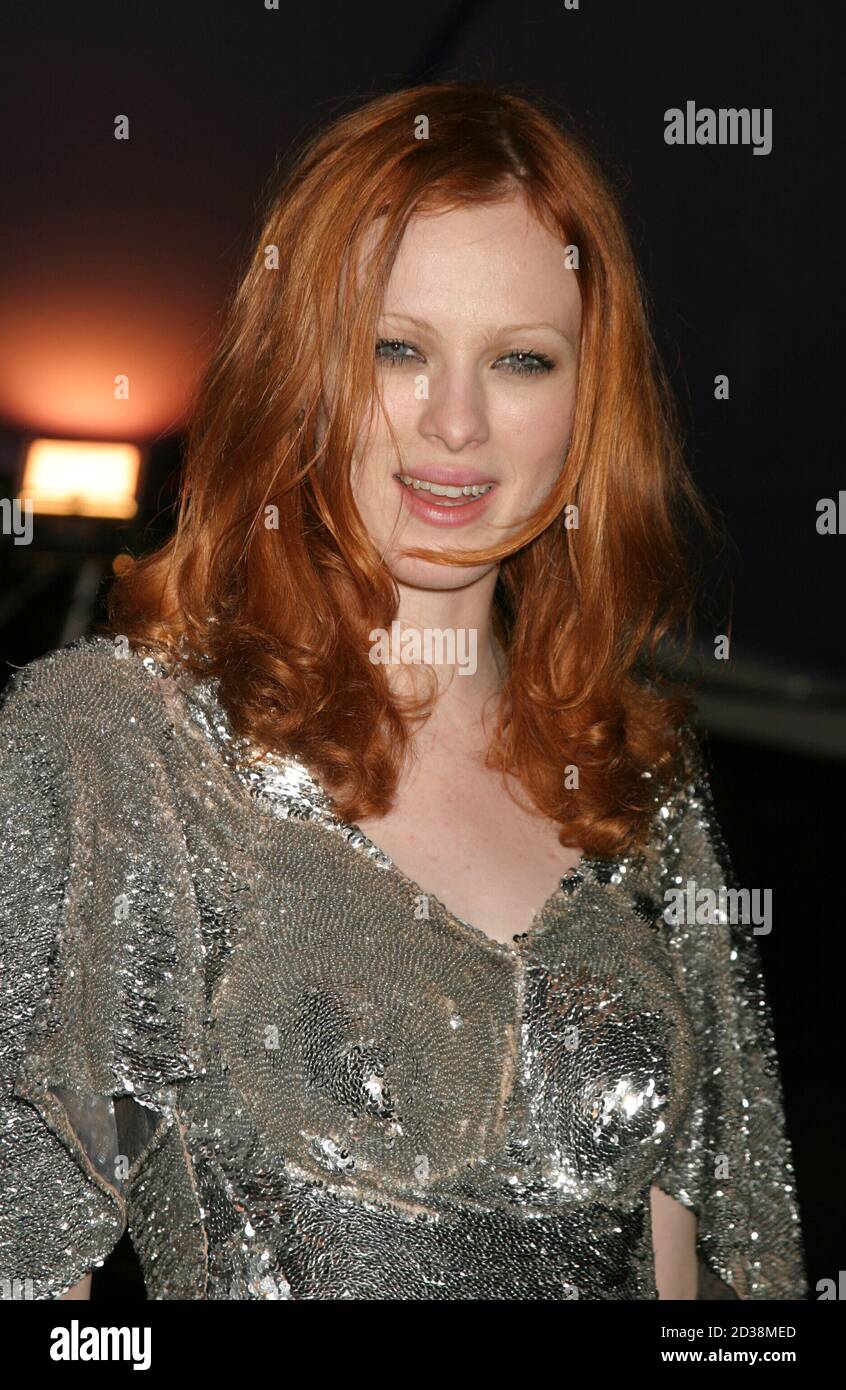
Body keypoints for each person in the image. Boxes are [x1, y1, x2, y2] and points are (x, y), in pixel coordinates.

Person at [0, 81, 806, 1301]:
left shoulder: (639, 781)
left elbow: (697, 1268)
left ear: (591, 401)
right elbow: (31, 1263)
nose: (459, 422)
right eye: (399, 348)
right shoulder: (123, 743)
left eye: (523, 360)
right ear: (302, 364)